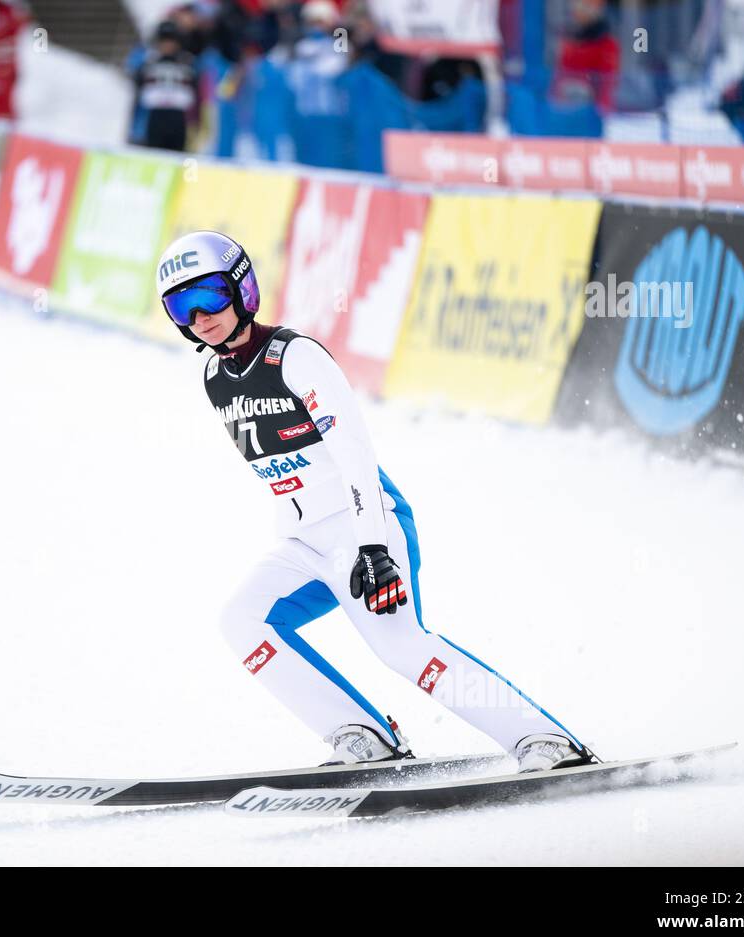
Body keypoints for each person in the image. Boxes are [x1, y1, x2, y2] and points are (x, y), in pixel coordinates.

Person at [155, 230, 596, 771]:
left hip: (363, 526)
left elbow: (355, 456)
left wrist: (373, 548)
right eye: (181, 305)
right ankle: (362, 735)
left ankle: (544, 740)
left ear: (242, 288)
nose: (200, 316)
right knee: (241, 619)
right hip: (301, 542)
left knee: (402, 647)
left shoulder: (296, 358)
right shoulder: (212, 375)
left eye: (211, 295)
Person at [134, 20, 200, 151]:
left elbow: (195, 89)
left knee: (176, 152)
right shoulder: (149, 63)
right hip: (155, 115)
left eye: (171, 41)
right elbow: (139, 88)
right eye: (164, 41)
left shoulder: (187, 63)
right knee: (154, 151)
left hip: (178, 117)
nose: (168, 45)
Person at [553, 0, 620, 111]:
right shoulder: (570, 40)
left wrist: (599, 108)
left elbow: (607, 82)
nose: (577, 11)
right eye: (577, 6)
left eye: (584, 7)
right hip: (566, 109)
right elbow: (560, 77)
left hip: (591, 111)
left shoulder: (607, 44)